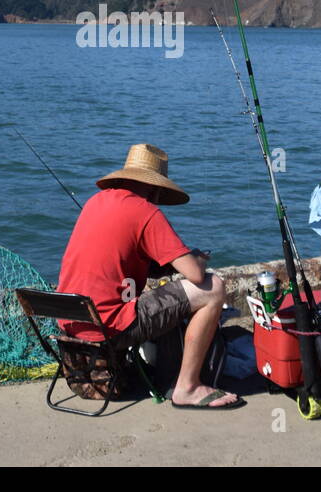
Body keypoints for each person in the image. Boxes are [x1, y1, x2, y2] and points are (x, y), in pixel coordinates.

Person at [56, 143, 243, 410]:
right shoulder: (145, 212)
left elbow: (127, 259)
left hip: (71, 324)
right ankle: (187, 387)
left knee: (167, 291)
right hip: (110, 327)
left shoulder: (96, 201)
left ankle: (173, 373)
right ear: (156, 187)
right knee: (213, 287)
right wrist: (198, 258)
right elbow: (194, 274)